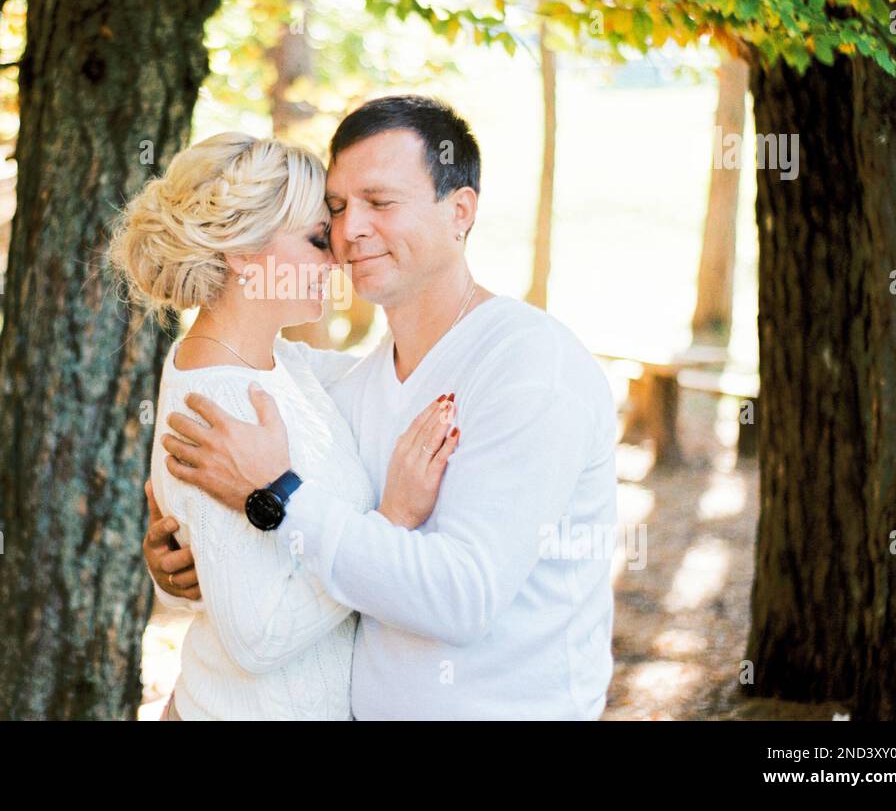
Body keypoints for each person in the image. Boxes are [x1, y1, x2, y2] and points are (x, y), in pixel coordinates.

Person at [145, 96, 618, 719]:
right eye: (335, 211)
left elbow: (461, 599)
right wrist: (185, 559)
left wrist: (277, 496)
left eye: (381, 202)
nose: (348, 233)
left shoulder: (530, 366)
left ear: (460, 212)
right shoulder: (340, 383)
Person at [108, 131, 458, 720]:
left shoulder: (279, 364)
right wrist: (390, 522)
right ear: (244, 252)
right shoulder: (220, 401)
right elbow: (259, 639)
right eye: (319, 239)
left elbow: (403, 367)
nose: (337, 257)